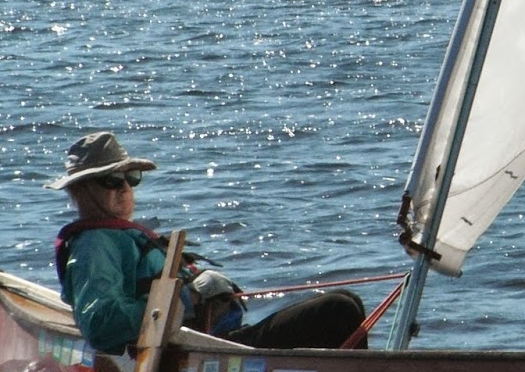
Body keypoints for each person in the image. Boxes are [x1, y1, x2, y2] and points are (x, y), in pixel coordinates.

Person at [48, 131, 366, 354]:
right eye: (112, 180)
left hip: (209, 342)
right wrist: (181, 301)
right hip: (188, 358)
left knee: (347, 300)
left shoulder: (119, 235)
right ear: (81, 191)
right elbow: (101, 326)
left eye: (131, 178)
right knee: (337, 311)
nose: (125, 188)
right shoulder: (95, 245)